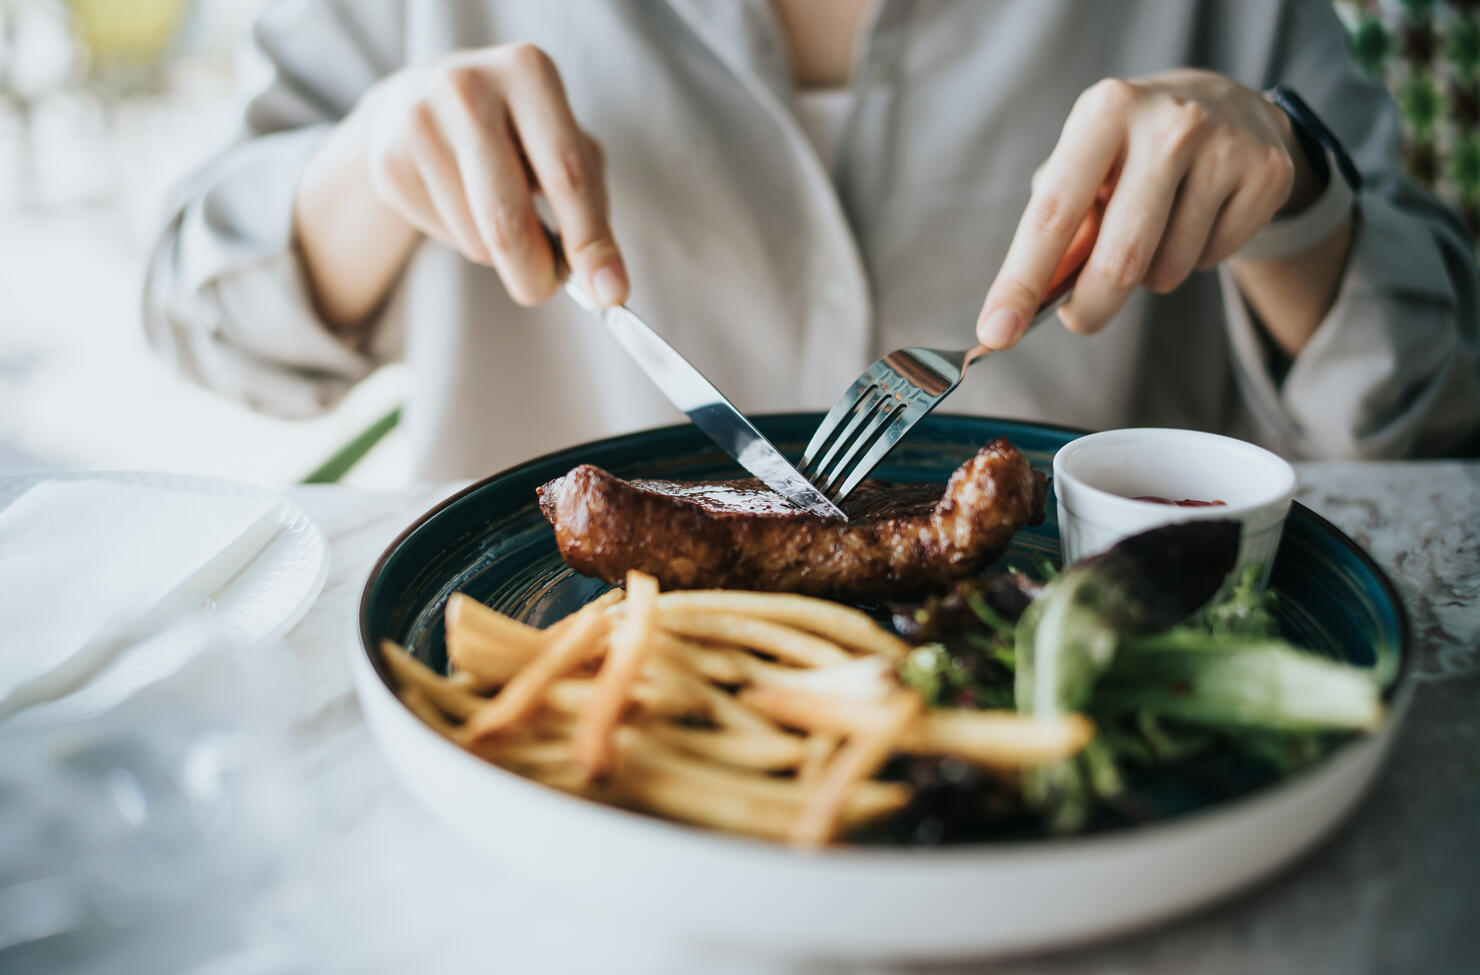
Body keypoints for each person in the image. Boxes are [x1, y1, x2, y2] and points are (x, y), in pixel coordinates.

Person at [143, 0, 1480, 483]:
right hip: (516, 809)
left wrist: (1297, 185)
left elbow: (1436, 407)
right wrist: (372, 167)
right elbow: (200, 325)